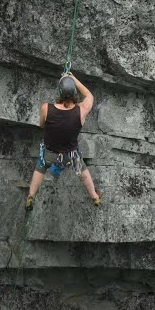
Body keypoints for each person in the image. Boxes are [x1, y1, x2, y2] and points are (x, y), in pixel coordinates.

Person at [25, 71, 101, 210]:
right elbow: (89, 95)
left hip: (50, 151)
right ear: (74, 93)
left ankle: (31, 196)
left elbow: (42, 125)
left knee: (40, 168)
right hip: (70, 154)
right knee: (82, 172)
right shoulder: (81, 111)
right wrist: (72, 79)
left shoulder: (46, 108)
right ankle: (94, 197)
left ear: (60, 92)